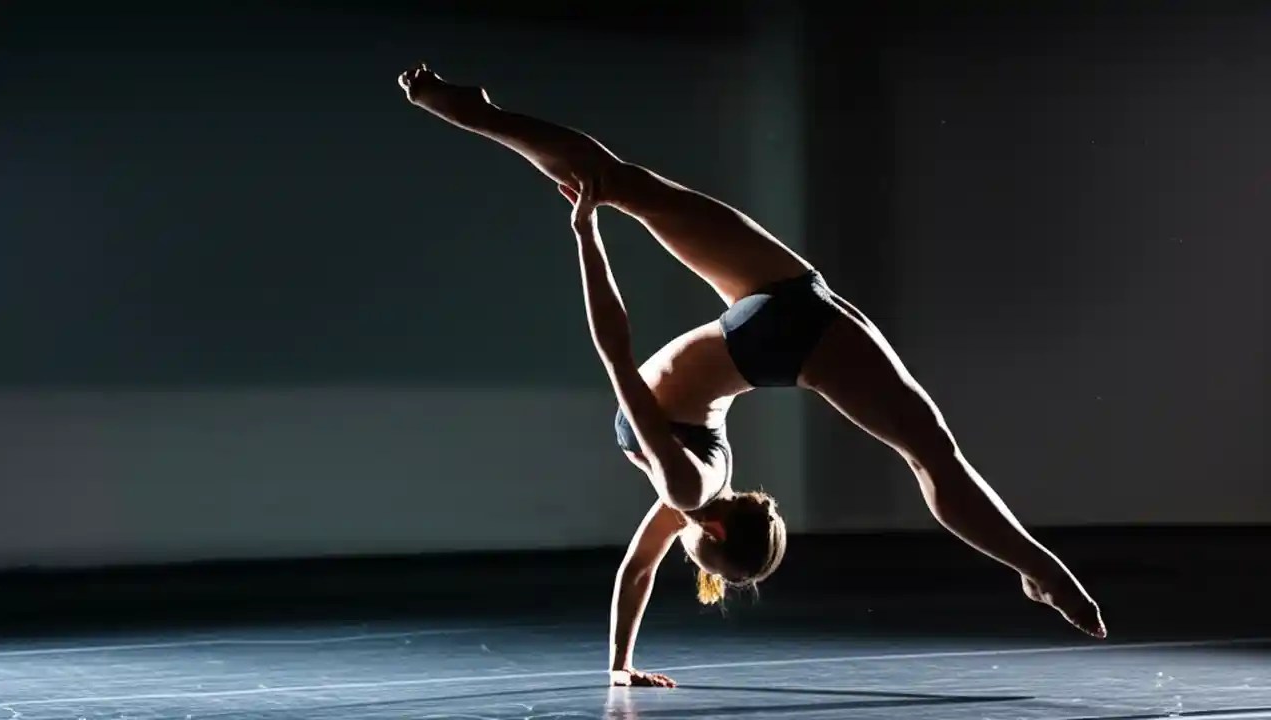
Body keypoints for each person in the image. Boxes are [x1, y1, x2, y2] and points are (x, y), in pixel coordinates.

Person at [396, 63, 1106, 688]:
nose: (680, 552)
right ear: (709, 530)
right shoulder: (685, 488)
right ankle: (1041, 570)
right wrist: (586, 237)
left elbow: (635, 573)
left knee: (933, 453)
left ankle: (1042, 570)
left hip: (779, 305)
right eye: (699, 557)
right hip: (771, 336)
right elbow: (614, 352)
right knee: (607, 190)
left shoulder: (691, 495)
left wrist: (619, 665)